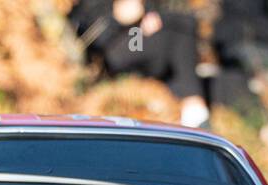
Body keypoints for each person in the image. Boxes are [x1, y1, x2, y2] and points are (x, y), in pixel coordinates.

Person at [70, 0, 211, 127]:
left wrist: (156, 17)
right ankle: (193, 106)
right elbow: (85, 37)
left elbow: (188, 20)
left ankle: (191, 105)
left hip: (142, 37)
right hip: (114, 49)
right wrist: (117, 18)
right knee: (173, 37)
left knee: (178, 35)